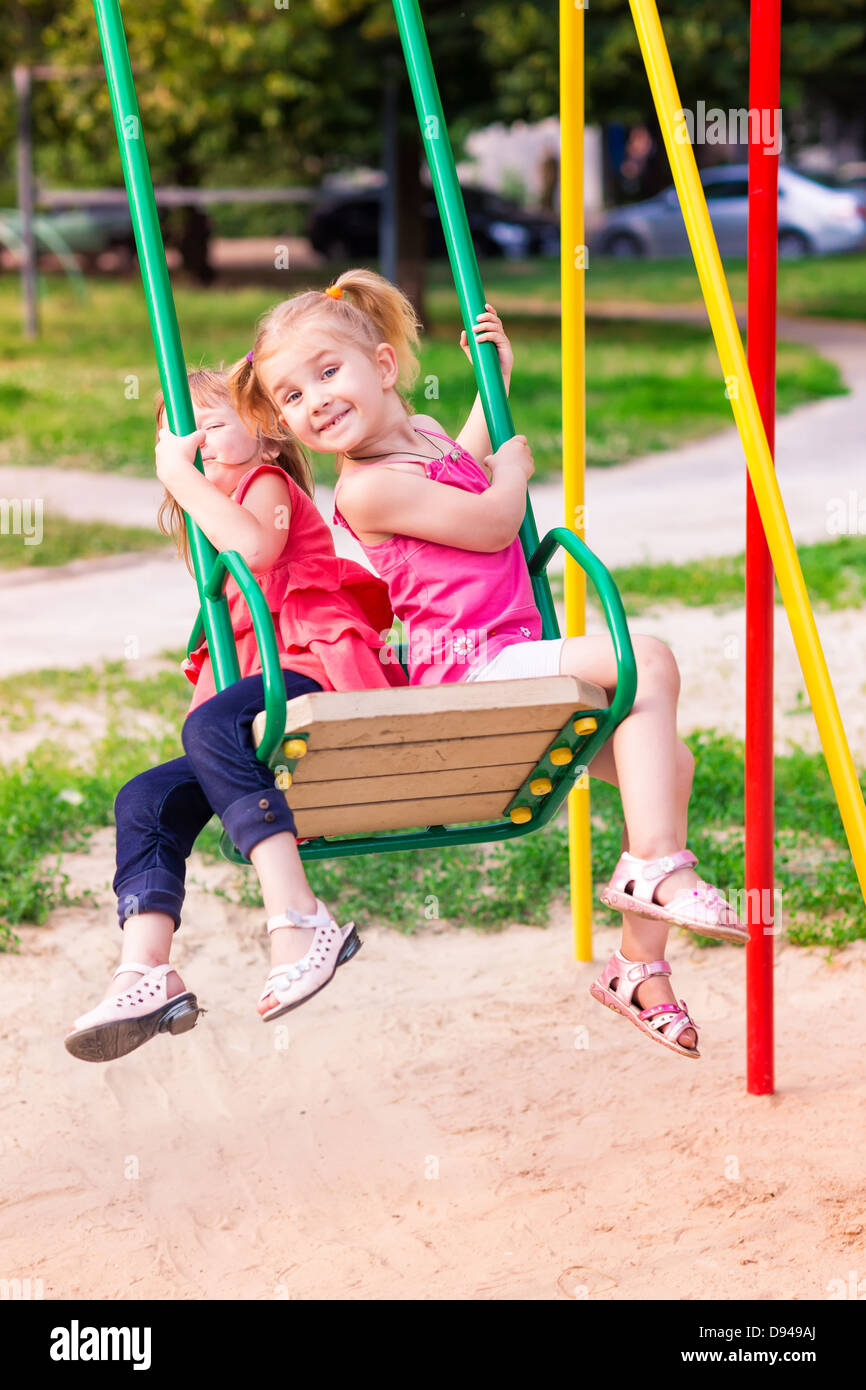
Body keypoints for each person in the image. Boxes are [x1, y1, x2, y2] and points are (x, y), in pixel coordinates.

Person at [237, 270, 749, 1062]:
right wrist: (514, 469)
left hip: (512, 654)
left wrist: (494, 389)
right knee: (644, 657)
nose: (314, 401)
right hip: (470, 668)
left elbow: (460, 468)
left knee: (669, 762)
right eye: (292, 396)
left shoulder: (427, 436)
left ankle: (638, 965)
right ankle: (655, 867)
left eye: (327, 373)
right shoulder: (367, 490)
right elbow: (488, 518)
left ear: (382, 366)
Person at [65, 367, 406, 1063]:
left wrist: (182, 478)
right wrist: (191, 484)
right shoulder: (213, 503)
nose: (195, 442)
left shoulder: (267, 486)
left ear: (271, 434)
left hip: (314, 667)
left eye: (213, 424)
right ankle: (147, 968)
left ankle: (300, 916)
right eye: (176, 433)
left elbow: (254, 549)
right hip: (261, 696)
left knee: (209, 727)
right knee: (146, 797)